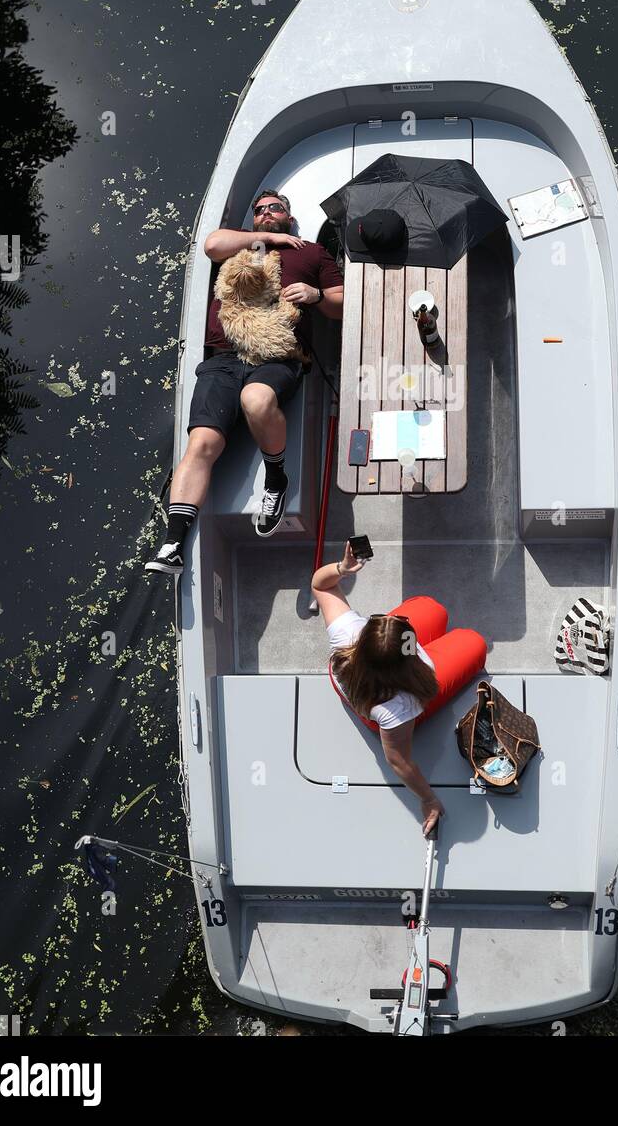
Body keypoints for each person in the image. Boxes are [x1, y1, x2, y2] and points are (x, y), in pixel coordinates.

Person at [145, 190, 344, 575]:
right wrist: (267, 240)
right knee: (202, 442)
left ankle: (276, 476)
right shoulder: (242, 246)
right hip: (222, 359)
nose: (267, 213)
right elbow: (212, 244)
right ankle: (173, 544)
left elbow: (343, 302)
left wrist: (316, 294)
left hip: (275, 356)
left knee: (256, 400)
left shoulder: (311, 253)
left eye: (276, 208)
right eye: (260, 210)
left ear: (290, 214)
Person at [311, 542, 488, 834]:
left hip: (358, 678)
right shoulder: (400, 705)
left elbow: (321, 586)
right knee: (474, 643)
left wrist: (343, 569)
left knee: (433, 609)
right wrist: (428, 799)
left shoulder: (349, 633)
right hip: (379, 704)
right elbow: (398, 760)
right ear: (410, 659)